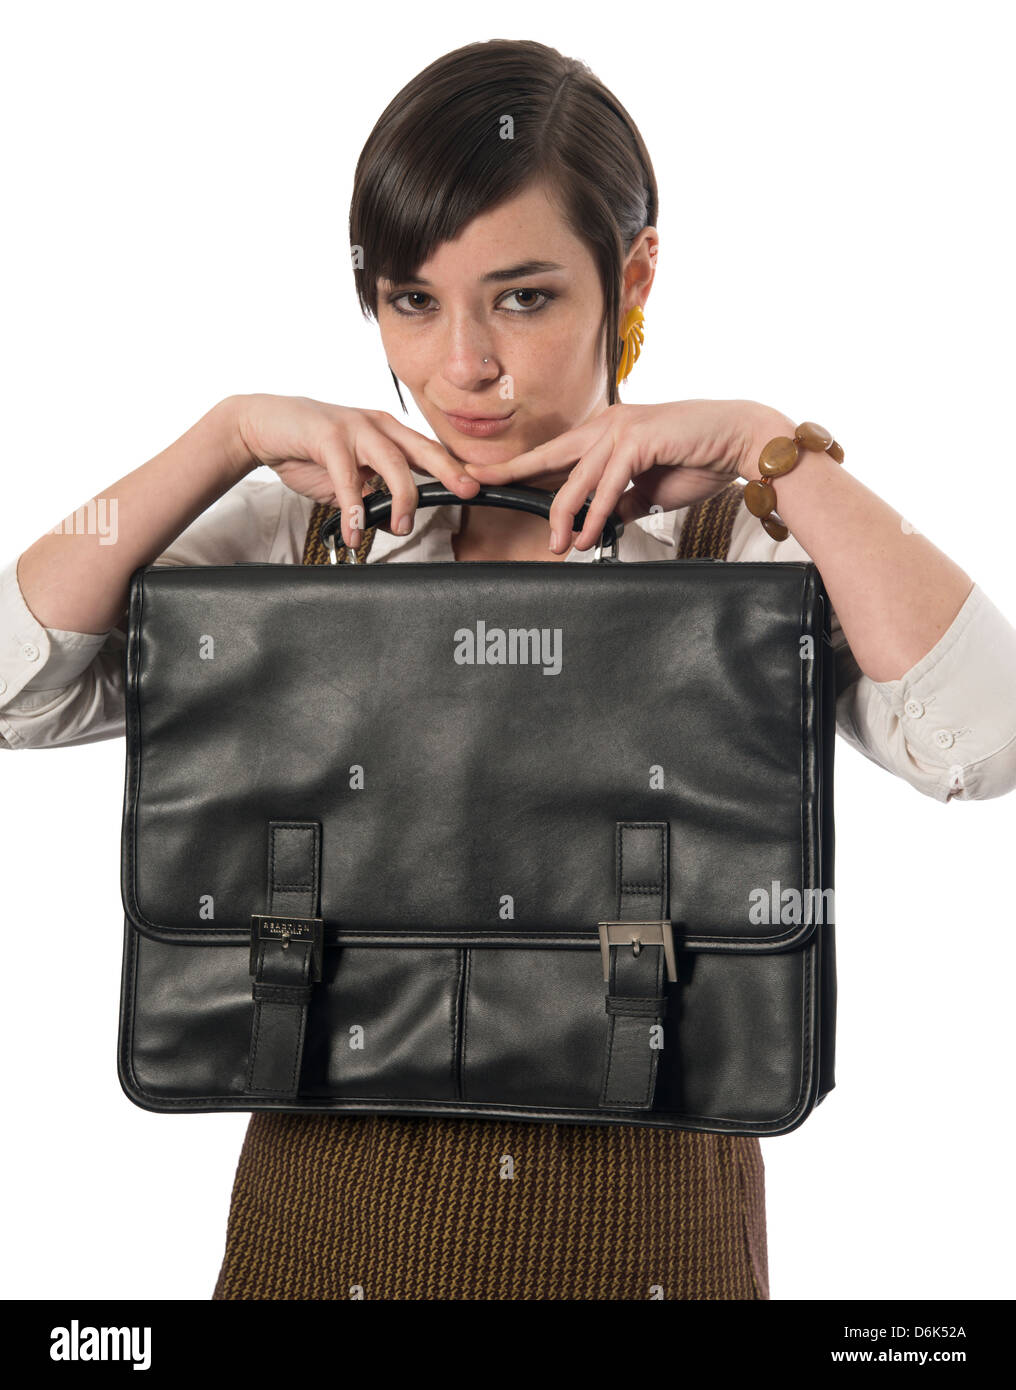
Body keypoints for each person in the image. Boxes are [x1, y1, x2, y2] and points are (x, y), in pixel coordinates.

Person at [3, 38, 1015, 1301]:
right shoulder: (306, 534)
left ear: (631, 273)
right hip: (317, 1260)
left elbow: (985, 740)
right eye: (411, 300)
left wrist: (777, 453)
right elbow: (14, 687)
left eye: (521, 297)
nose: (460, 366)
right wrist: (224, 441)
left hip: (657, 1263)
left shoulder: (739, 538)